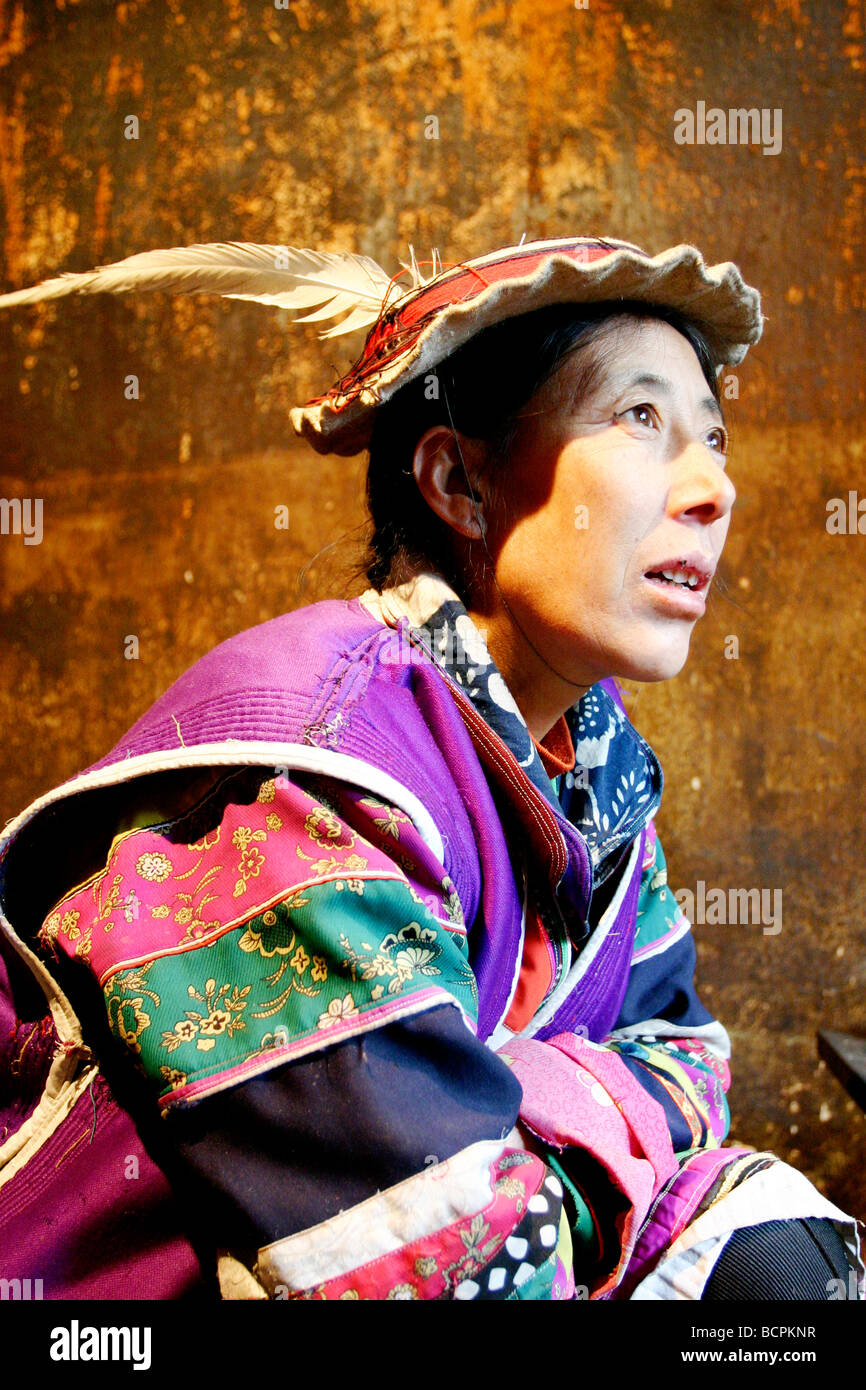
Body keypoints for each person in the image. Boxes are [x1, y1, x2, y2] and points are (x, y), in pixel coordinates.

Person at [0, 236, 861, 1300]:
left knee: (779, 1258)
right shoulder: (311, 781)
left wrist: (515, 1114)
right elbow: (445, 1268)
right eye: (640, 419)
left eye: (712, 437)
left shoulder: (590, 772)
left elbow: (690, 1055)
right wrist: (574, 1120)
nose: (710, 489)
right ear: (459, 480)